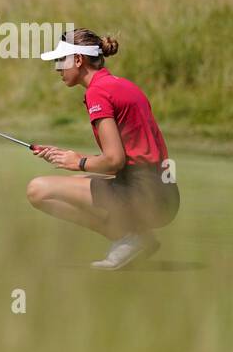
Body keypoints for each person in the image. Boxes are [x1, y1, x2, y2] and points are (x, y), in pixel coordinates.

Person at [26, 28, 180, 270]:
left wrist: (77, 162)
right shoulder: (121, 85)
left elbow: (114, 160)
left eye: (61, 60)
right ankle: (135, 238)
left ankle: (129, 238)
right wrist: (66, 156)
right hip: (164, 192)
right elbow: (127, 157)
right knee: (78, 181)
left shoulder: (98, 92)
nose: (57, 67)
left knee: (38, 190)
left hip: (145, 196)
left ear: (78, 59)